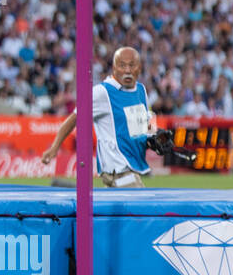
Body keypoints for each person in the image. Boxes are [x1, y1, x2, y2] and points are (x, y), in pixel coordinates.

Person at [41, 47, 156, 186]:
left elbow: (143, 128)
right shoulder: (102, 92)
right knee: (141, 206)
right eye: (122, 65)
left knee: (107, 207)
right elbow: (74, 118)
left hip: (134, 167)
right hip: (118, 170)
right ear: (114, 67)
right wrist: (54, 148)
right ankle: (73, 192)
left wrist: (154, 139)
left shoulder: (141, 90)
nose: (127, 70)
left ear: (139, 67)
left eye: (131, 65)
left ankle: (66, 188)